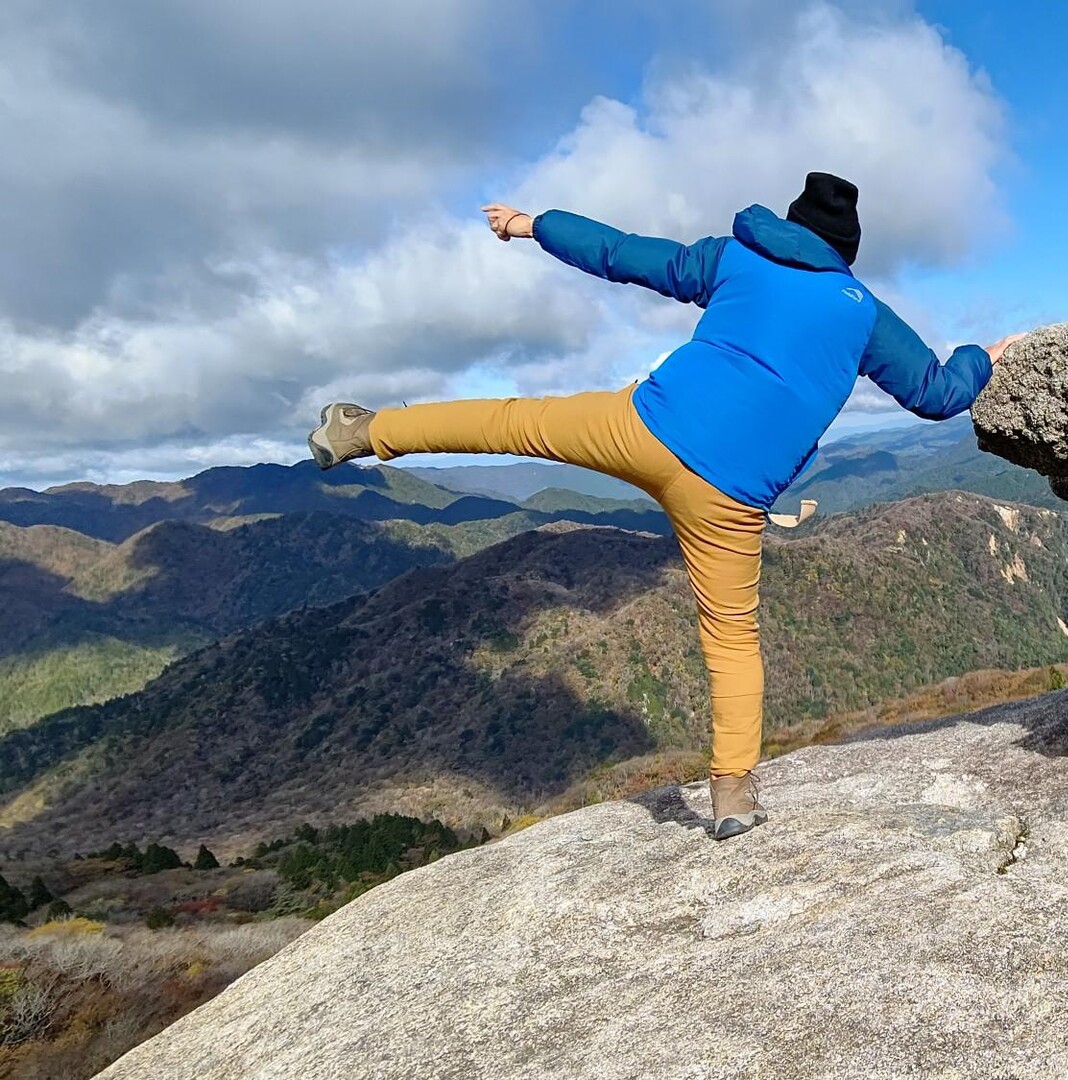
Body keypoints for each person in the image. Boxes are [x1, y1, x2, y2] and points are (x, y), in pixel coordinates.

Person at [305, 172, 1024, 840]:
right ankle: (733, 795)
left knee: (509, 421)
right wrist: (982, 354)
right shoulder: (863, 312)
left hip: (645, 425)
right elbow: (936, 395)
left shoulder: (736, 258)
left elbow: (623, 253)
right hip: (732, 495)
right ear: (847, 254)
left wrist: (533, 224)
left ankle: (365, 430)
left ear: (790, 225)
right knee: (732, 634)